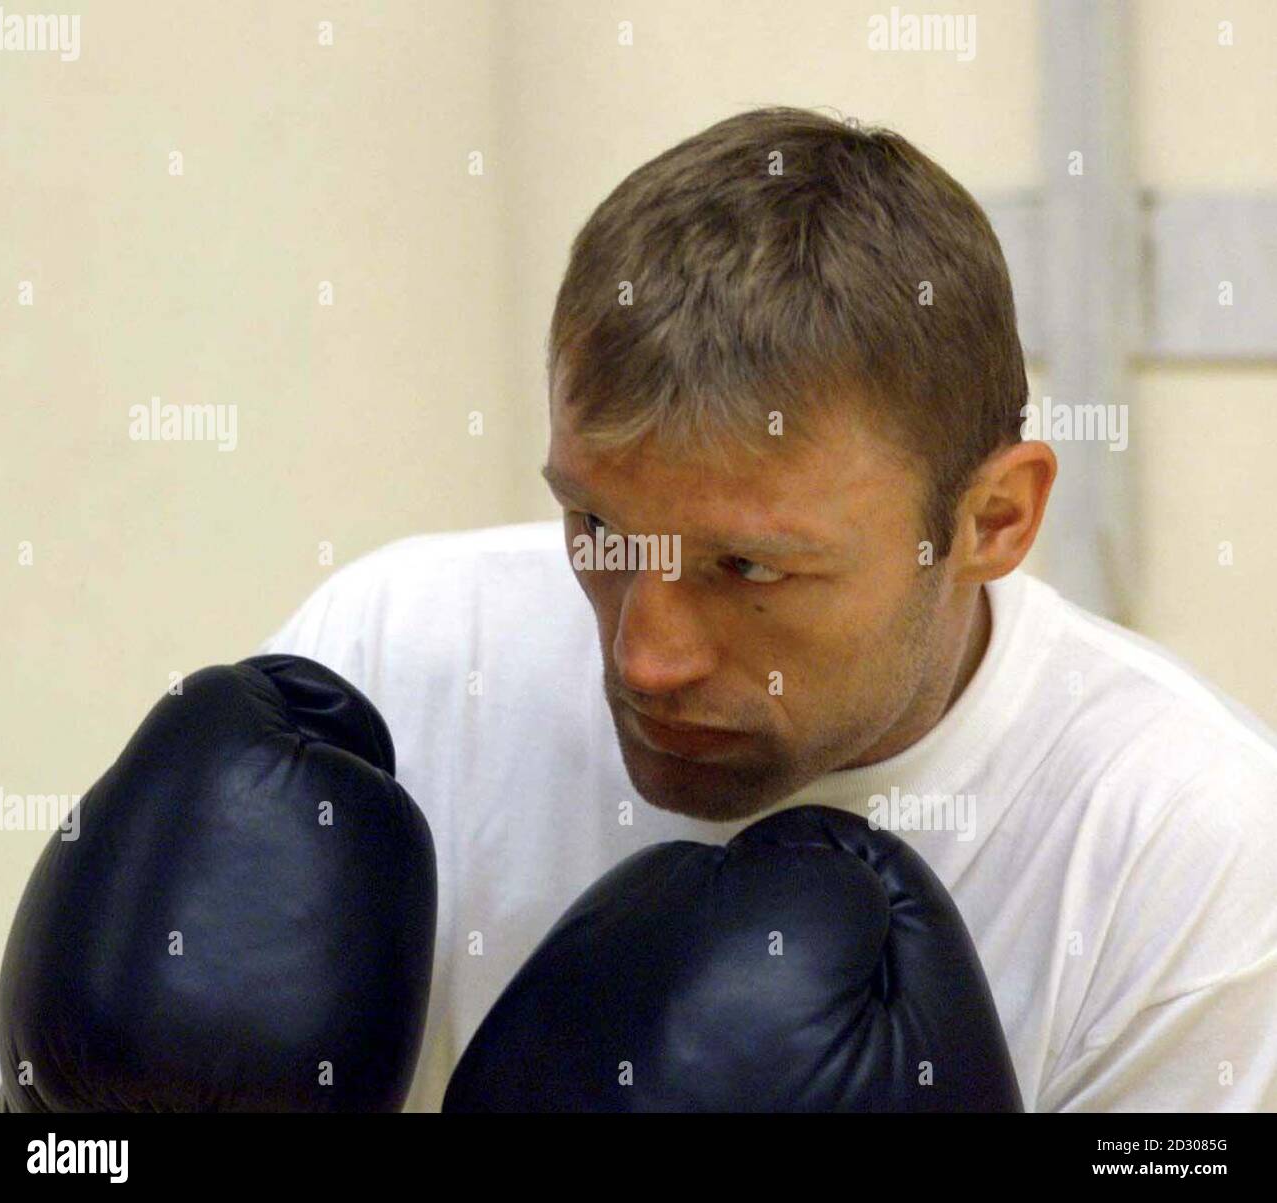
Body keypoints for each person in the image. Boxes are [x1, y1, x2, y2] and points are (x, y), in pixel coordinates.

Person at [260, 107, 1277, 1112]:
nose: (645, 658)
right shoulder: (397, 659)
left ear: (993, 520)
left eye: (747, 568)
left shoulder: (1187, 848)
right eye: (598, 529)